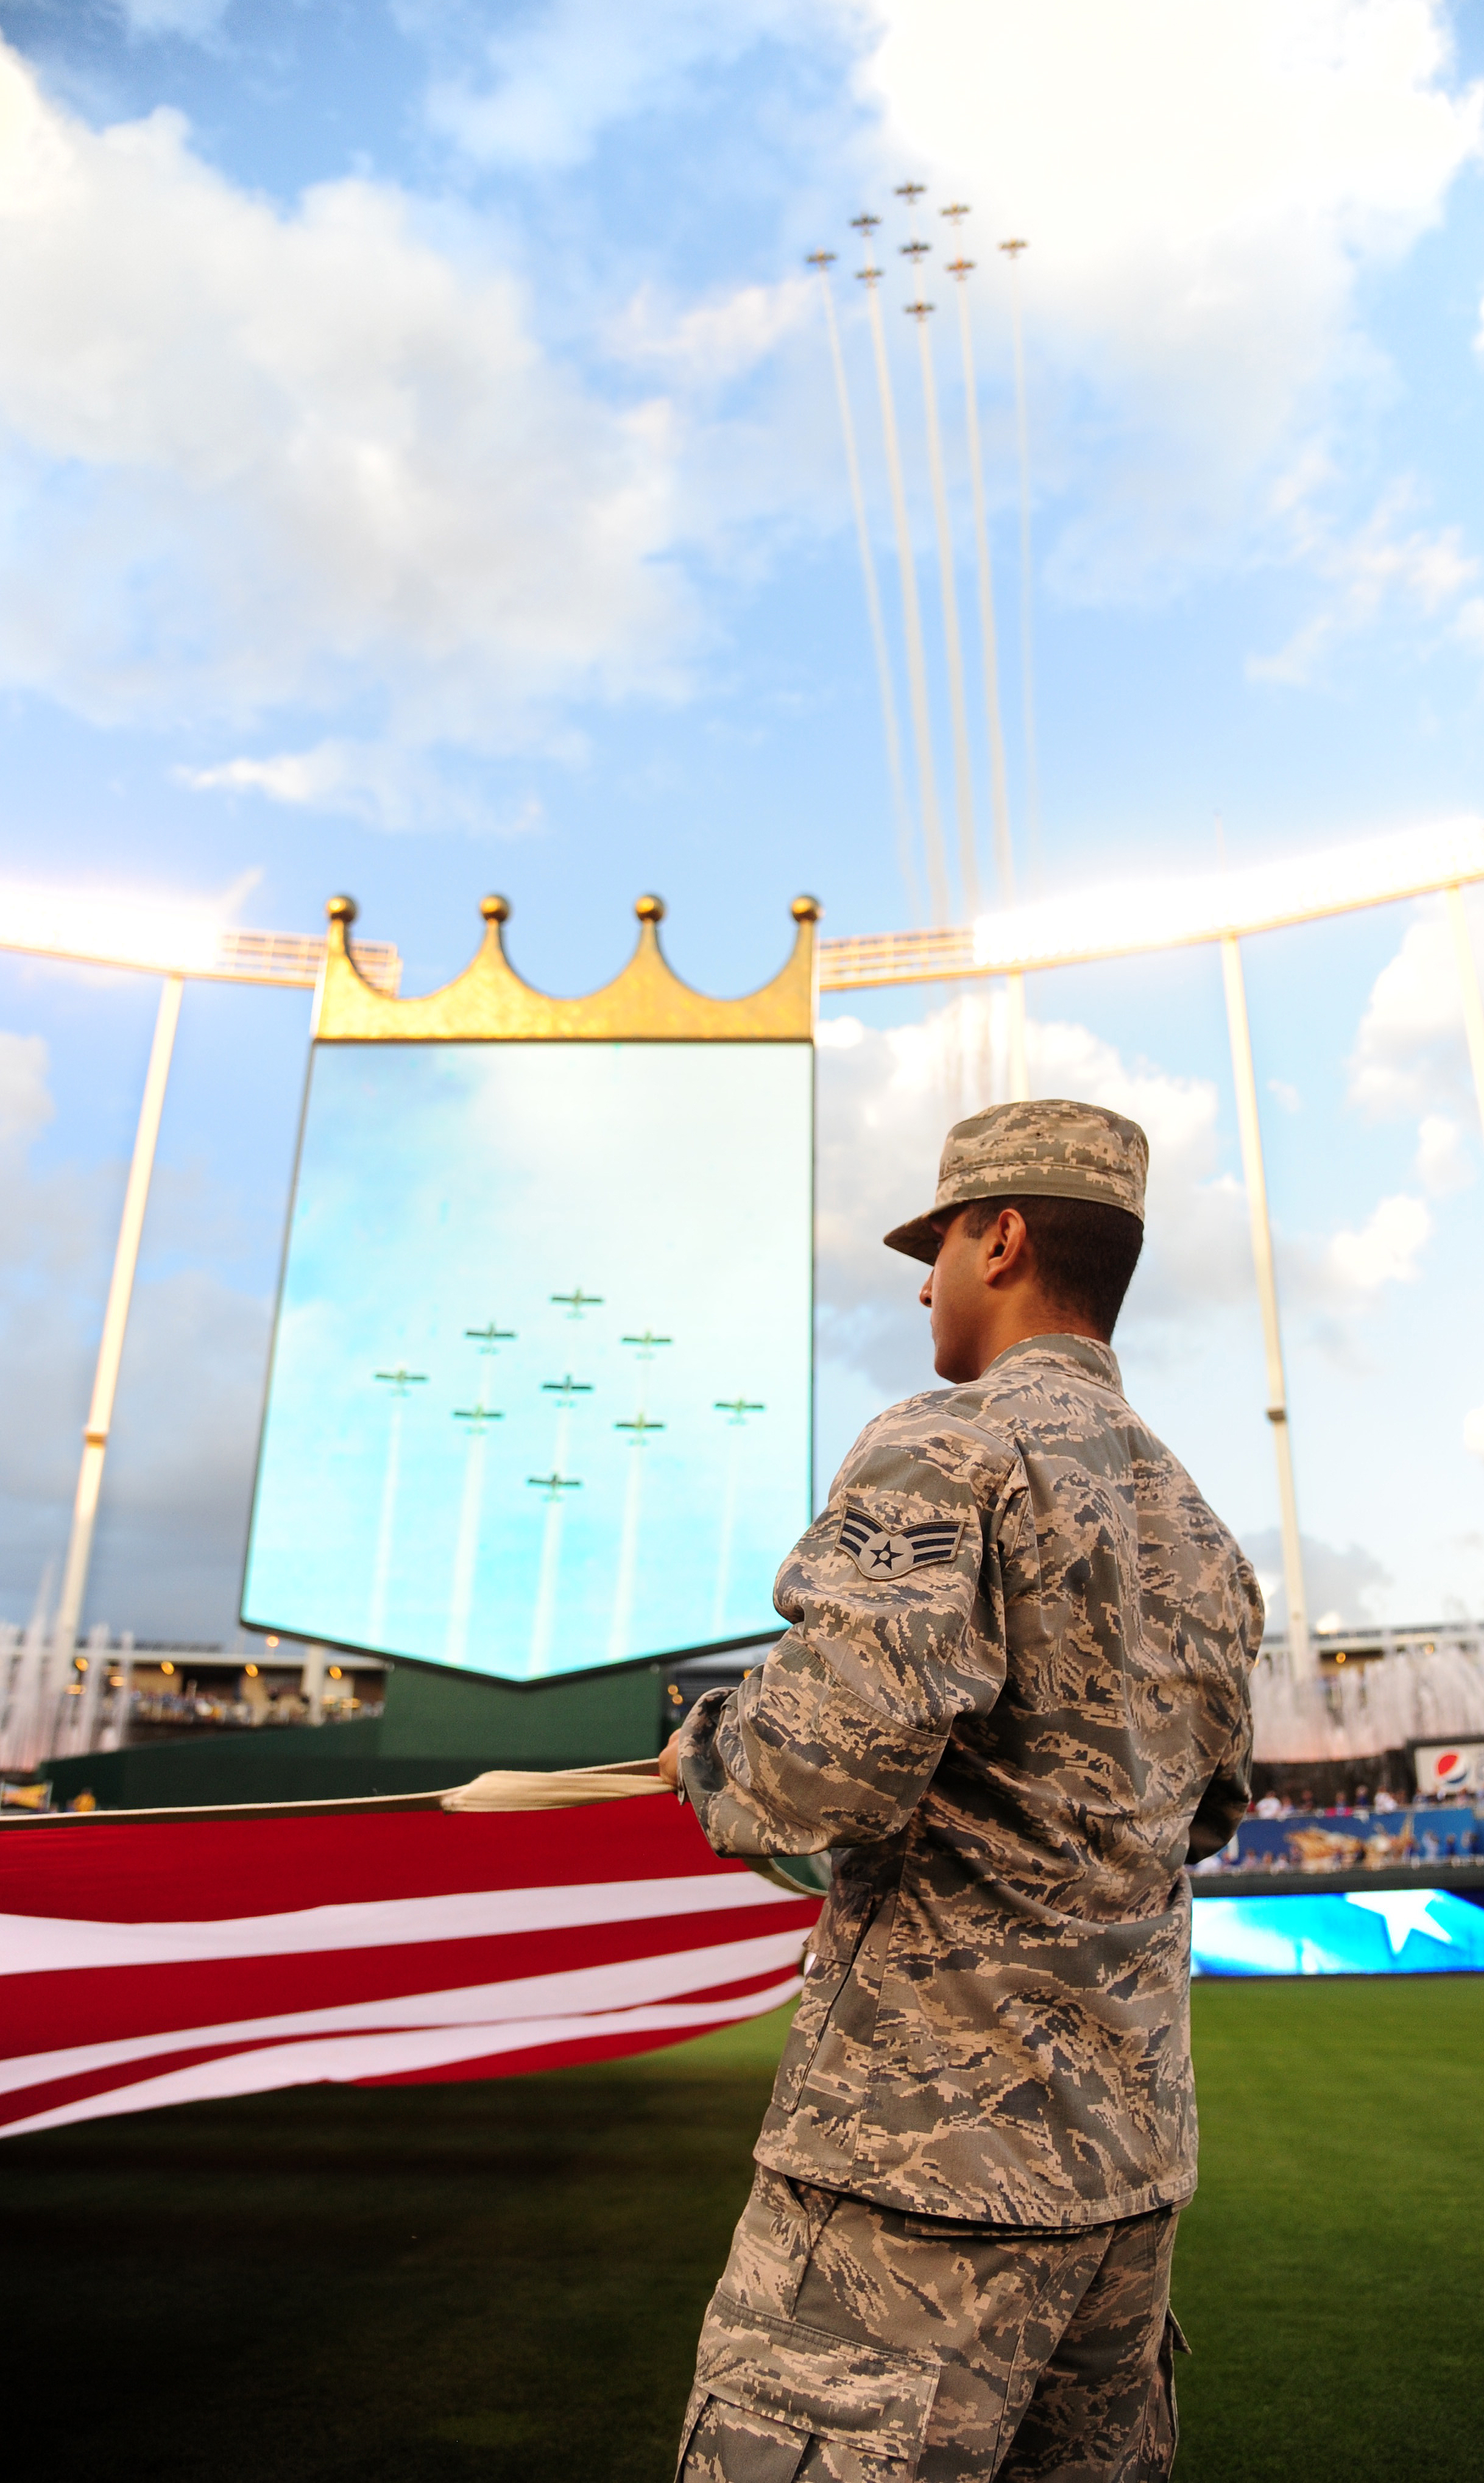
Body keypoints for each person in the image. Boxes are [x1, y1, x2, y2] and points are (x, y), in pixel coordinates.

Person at [659, 1097, 1263, 2482]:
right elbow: (1205, 1816)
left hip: (919, 2186)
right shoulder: (1206, 1532)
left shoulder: (950, 1443)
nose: (920, 1282)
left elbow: (813, 1774)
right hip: (1125, 2187)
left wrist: (704, 1750)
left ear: (1000, 1239)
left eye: (931, 1246)